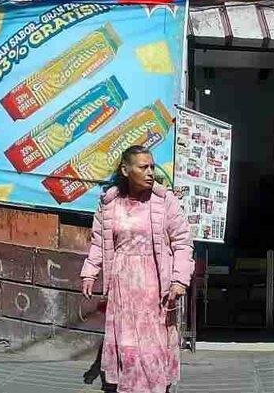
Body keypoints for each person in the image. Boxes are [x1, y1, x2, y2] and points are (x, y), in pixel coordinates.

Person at [81, 146, 194, 393]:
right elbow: (99, 241)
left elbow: (183, 242)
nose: (150, 172)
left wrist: (179, 280)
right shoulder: (109, 203)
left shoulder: (165, 202)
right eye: (143, 167)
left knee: (152, 346)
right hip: (123, 285)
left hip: (155, 286)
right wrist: (90, 272)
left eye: (152, 166)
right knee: (128, 345)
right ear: (125, 170)